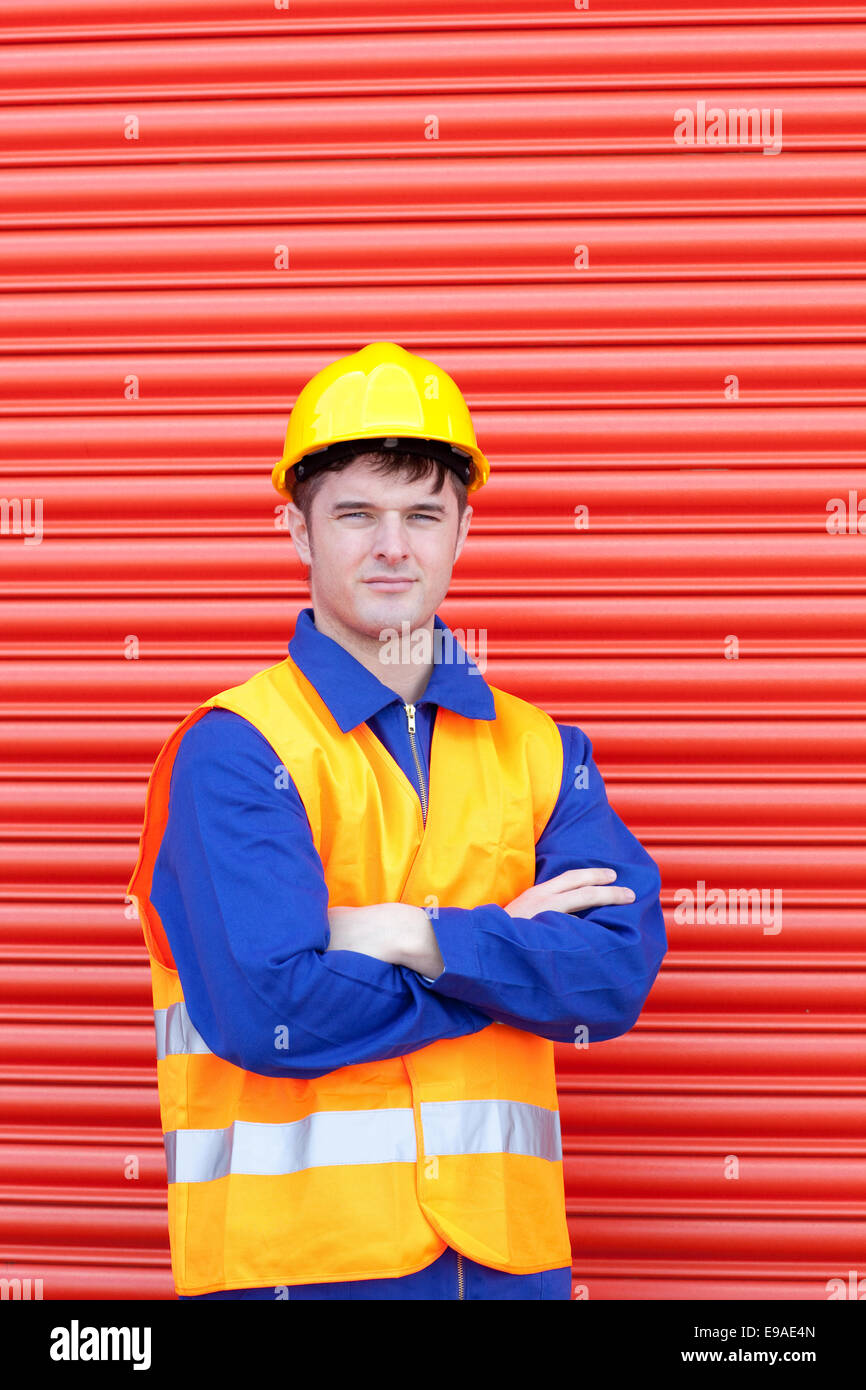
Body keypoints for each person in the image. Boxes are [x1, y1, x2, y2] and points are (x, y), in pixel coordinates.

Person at [126, 341, 667, 1301]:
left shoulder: (541, 750)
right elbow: (272, 1009)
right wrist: (506, 955)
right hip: (295, 1275)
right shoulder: (236, 751)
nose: (393, 546)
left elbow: (613, 979)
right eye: (357, 514)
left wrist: (406, 934)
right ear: (296, 531)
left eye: (424, 514)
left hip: (508, 1271)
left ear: (461, 532)